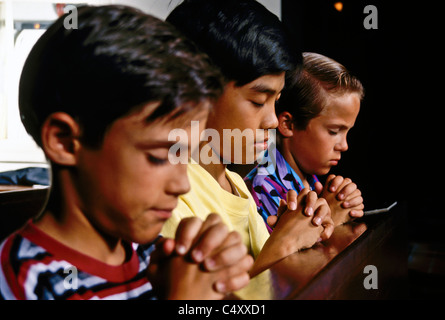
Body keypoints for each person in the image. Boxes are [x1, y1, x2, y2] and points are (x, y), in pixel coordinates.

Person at [0, 5, 253, 300]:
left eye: (185, 156)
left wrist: (220, 289)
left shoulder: (154, 257)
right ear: (65, 141)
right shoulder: (23, 282)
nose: (182, 184)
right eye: (160, 156)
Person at [161, 0, 334, 290]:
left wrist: (298, 229)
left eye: (275, 102)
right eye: (257, 101)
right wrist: (282, 247)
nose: (271, 121)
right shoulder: (169, 198)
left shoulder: (233, 182)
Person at [245, 52, 365, 228]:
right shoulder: (263, 187)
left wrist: (344, 203)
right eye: (333, 131)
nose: (344, 145)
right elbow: (285, 253)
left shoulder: (309, 178)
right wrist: (330, 217)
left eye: (347, 132)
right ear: (288, 124)